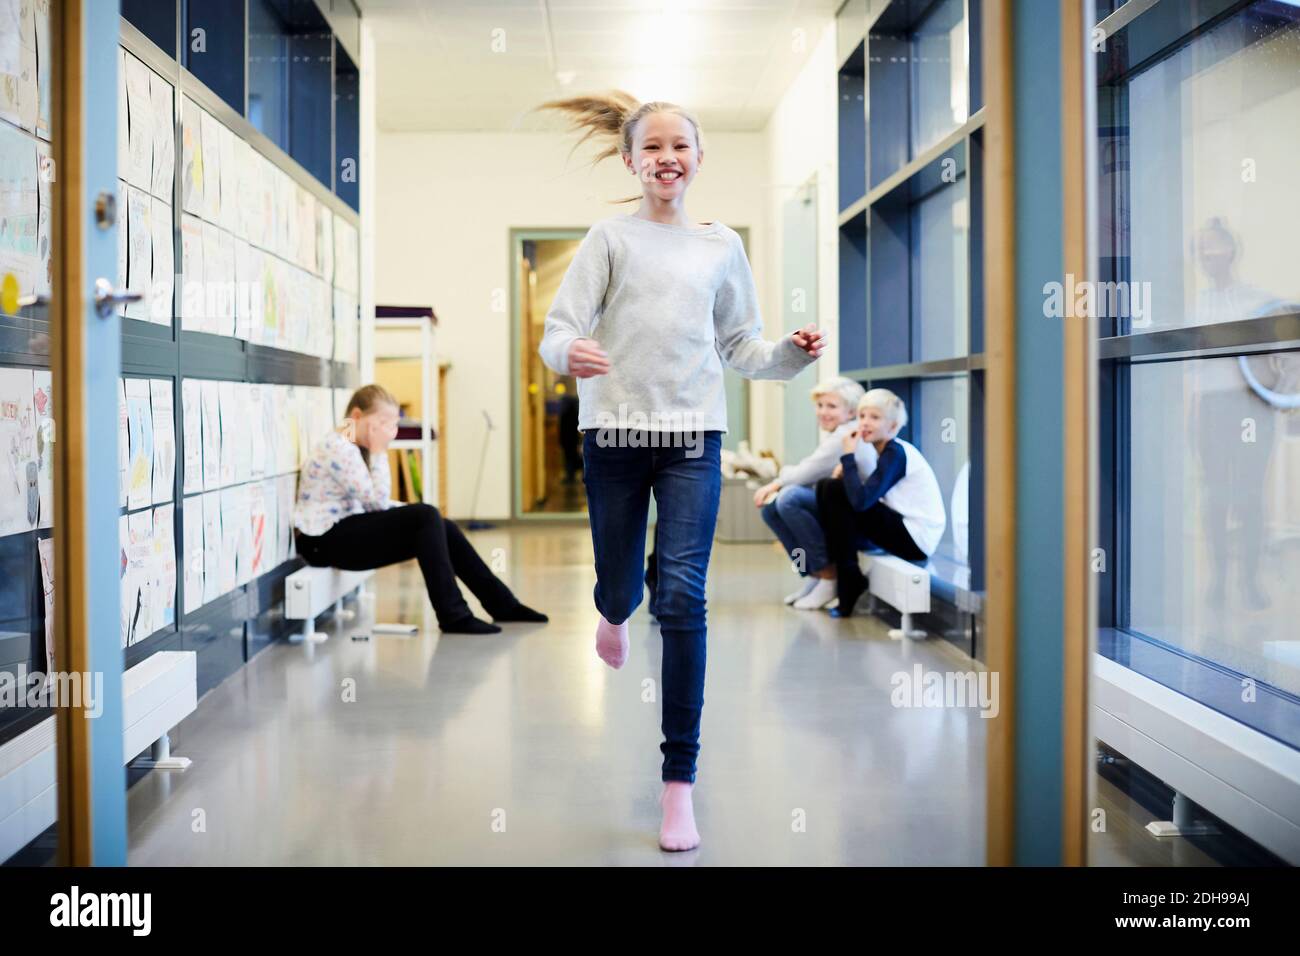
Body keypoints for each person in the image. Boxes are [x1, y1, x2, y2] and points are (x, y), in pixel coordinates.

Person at [536, 91, 824, 851]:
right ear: (630, 161)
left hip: (694, 436)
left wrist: (792, 353)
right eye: (652, 147)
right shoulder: (609, 239)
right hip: (613, 435)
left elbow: (744, 348)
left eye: (680, 146)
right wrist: (570, 354)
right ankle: (609, 606)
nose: (667, 157)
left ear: (698, 159)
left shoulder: (721, 246)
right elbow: (558, 330)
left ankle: (678, 784)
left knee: (683, 596)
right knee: (621, 581)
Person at [292, 384, 548, 634]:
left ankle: (503, 605)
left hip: (341, 533)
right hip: (321, 543)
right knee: (425, 515)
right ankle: (454, 615)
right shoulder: (339, 447)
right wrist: (380, 451)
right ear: (357, 416)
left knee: (438, 523)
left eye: (393, 425)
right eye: (384, 424)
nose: (390, 433)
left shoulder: (351, 446)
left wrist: (423, 515)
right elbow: (377, 502)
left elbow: (373, 506)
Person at [815, 389, 945, 618]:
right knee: (827, 486)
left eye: (874, 418)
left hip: (915, 540)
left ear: (893, 427)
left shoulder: (896, 452)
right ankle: (847, 577)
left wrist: (848, 458)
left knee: (833, 489)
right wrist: (846, 470)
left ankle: (848, 579)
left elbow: (862, 501)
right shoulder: (885, 451)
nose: (865, 423)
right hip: (901, 529)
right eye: (862, 416)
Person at [752, 377, 875, 610]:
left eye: (831, 406)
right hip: (847, 513)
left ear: (850, 412)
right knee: (772, 509)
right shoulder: (841, 432)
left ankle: (828, 576)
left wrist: (774, 484)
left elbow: (805, 473)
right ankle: (814, 573)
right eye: (820, 406)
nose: (822, 412)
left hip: (862, 522)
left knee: (789, 498)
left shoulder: (845, 436)